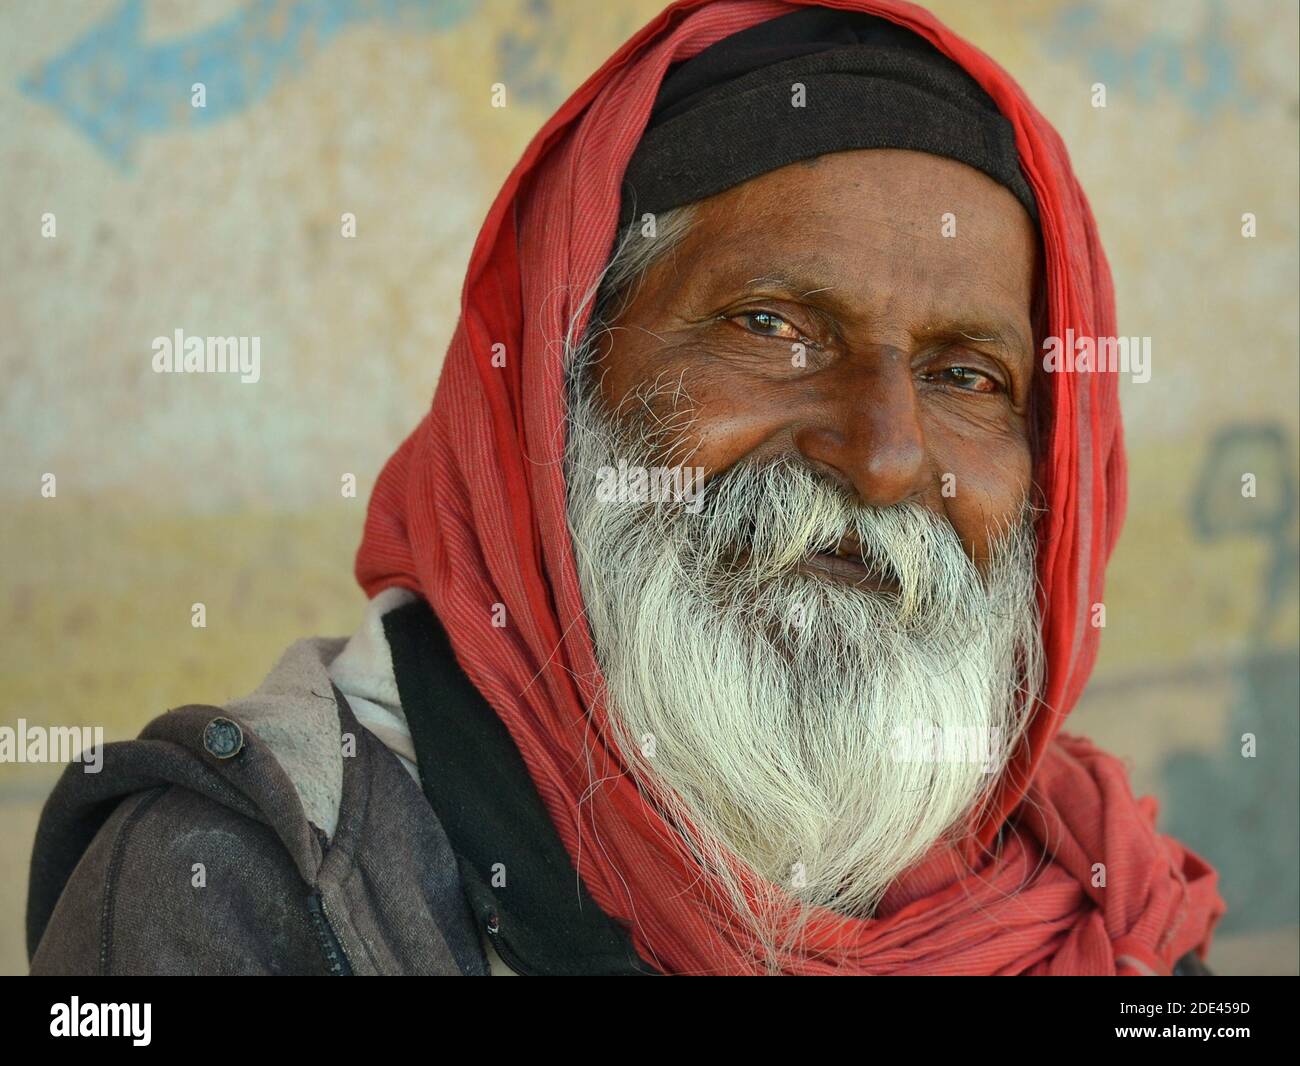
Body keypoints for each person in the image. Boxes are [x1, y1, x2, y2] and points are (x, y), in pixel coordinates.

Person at [27, 0, 1224, 976]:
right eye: (771, 324)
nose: (884, 455)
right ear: (560, 378)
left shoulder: (1101, 900)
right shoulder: (235, 884)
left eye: (966, 374)